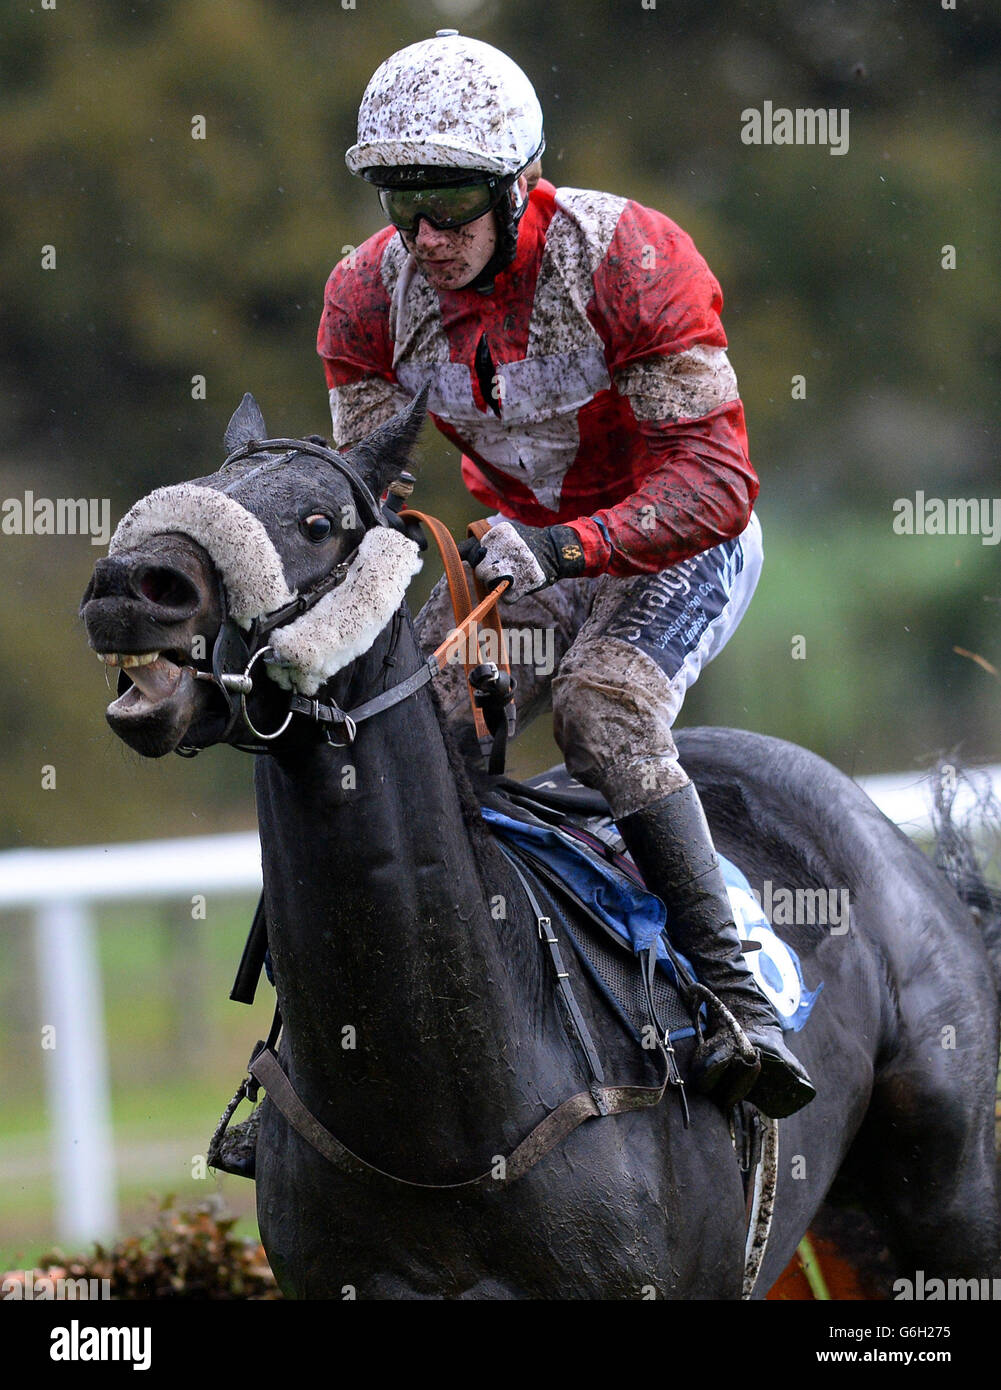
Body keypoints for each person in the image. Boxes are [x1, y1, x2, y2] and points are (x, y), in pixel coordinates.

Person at [318, 30, 814, 1118]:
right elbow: (368, 500)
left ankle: (738, 1001)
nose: (425, 236)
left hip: (676, 540)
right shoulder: (363, 296)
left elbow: (716, 484)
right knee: (411, 732)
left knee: (599, 707)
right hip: (527, 553)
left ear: (517, 180)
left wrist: (562, 547)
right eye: (400, 201)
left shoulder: (629, 255)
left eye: (449, 199)